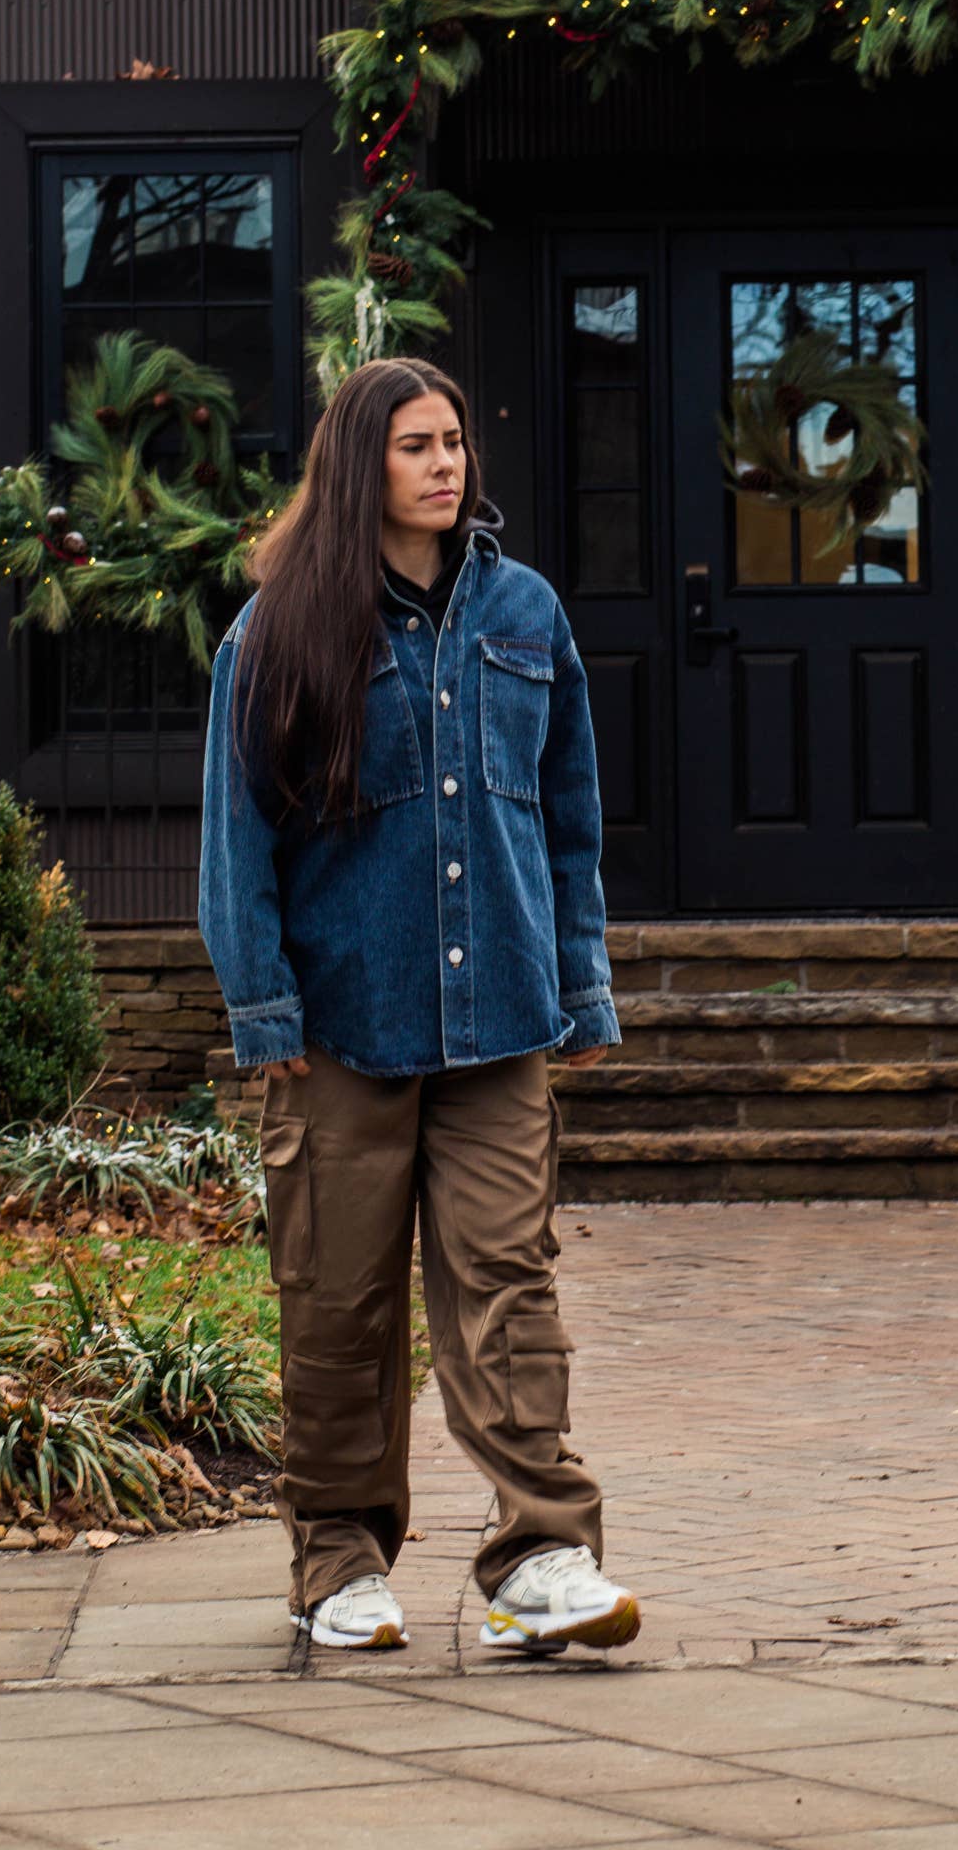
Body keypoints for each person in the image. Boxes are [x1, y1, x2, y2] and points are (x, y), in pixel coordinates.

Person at [198, 354, 640, 1658]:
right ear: (361, 466)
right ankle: (338, 1564)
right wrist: (264, 1011)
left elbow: (570, 820)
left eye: (454, 441)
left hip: (501, 1020)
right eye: (416, 446)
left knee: (510, 1286)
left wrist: (581, 982)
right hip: (343, 1027)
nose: (446, 464)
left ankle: (542, 1557)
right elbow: (238, 842)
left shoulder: (526, 612)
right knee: (339, 1308)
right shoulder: (280, 630)